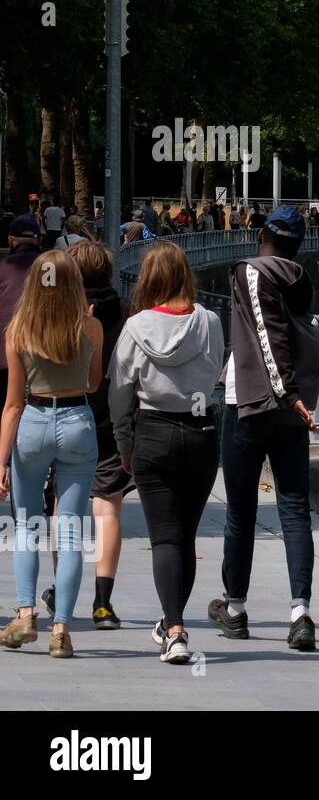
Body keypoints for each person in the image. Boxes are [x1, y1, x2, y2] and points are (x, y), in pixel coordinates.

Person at [210, 205, 319, 650]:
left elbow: (267, 333)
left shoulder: (250, 273)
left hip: (252, 402)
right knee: (294, 509)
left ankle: (235, 608)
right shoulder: (301, 276)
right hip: (289, 411)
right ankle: (301, 612)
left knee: (241, 511)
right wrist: (297, 399)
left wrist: (286, 392)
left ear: (261, 235)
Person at [108, 242, 223, 664]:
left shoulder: (136, 326)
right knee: (185, 535)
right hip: (200, 429)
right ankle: (173, 624)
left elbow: (119, 390)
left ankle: (173, 627)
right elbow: (213, 371)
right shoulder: (209, 321)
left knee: (164, 538)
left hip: (153, 431)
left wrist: (124, 442)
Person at [0, 250, 104, 657]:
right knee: (72, 533)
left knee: (26, 526)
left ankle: (25, 614)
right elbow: (94, 384)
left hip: (34, 420)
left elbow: (11, 404)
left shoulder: (19, 331)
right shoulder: (91, 326)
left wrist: (1, 460)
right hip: (77, 418)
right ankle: (61, 629)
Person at [64, 241, 129, 630]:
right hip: (112, 422)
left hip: (67, 415)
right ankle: (103, 603)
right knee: (108, 509)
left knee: (64, 511)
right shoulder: (125, 311)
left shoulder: (58, 312)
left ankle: (61, 591)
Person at [0, 215, 44, 404]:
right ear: (39, 240)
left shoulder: (2, 268)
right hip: (45, 356)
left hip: (4, 357)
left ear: (10, 240)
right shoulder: (51, 268)